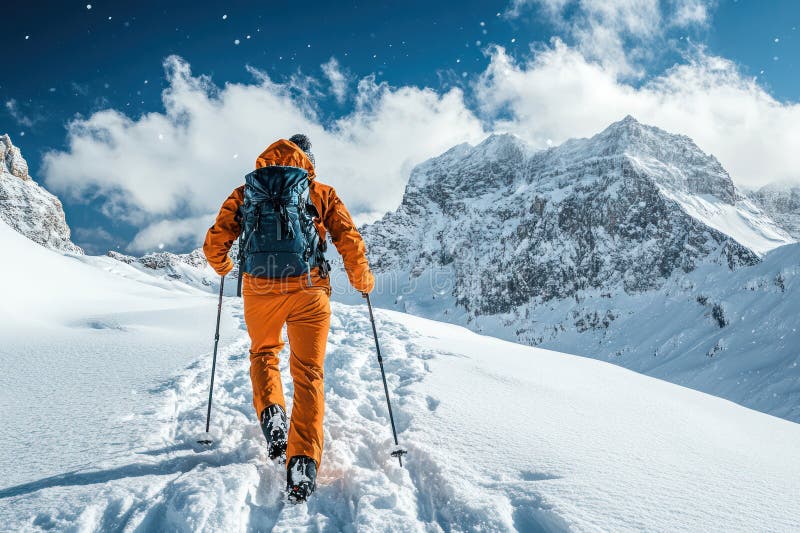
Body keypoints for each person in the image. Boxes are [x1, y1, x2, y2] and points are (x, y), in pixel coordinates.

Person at [202, 134, 374, 503]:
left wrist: (225, 267)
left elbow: (214, 245)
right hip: (309, 289)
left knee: (264, 353)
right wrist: (363, 280)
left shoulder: (246, 192)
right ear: (307, 161)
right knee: (308, 371)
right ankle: (303, 463)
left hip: (259, 287)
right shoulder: (320, 192)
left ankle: (273, 416)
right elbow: (348, 238)